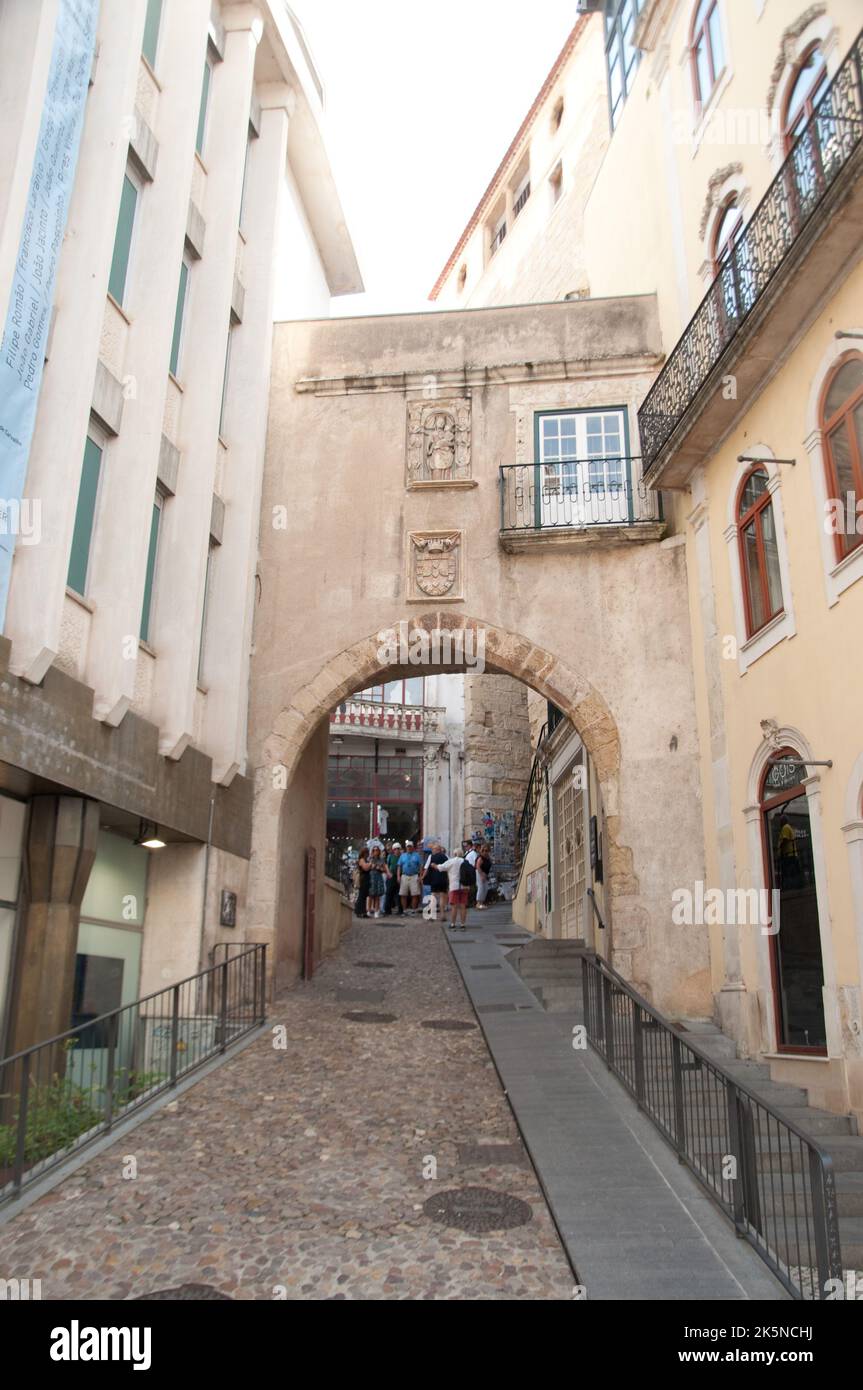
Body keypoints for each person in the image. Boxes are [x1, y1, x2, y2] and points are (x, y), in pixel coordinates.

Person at [438, 850, 470, 930]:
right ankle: (462, 924)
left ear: (454, 854)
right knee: (463, 906)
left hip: (454, 887)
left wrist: (434, 865)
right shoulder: (466, 861)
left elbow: (441, 868)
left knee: (454, 907)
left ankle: (453, 924)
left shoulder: (451, 861)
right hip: (465, 886)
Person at [423, 841, 449, 920]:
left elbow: (426, 868)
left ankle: (431, 915)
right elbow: (447, 868)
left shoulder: (431, 857)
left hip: (434, 879)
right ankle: (442, 915)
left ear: (436, 850)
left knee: (433, 897)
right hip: (443, 879)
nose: (432, 851)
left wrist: (422, 877)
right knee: (442, 897)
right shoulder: (445, 857)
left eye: (433, 849)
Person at [397, 840, 423, 914]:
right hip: (404, 875)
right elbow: (399, 866)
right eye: (408, 846)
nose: (409, 848)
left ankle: (413, 910)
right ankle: (405, 910)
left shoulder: (417, 855)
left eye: (410, 846)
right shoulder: (402, 855)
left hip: (414, 876)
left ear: (413, 847)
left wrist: (420, 876)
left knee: (415, 894)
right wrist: (398, 876)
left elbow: (420, 866)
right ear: (406, 847)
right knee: (403, 893)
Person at [383, 841, 402, 916]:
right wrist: (388, 873)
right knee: (389, 893)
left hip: (399, 876)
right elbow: (387, 865)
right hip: (391, 876)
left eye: (398, 849)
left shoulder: (402, 856)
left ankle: (400, 910)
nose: (397, 850)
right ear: (393, 849)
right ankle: (387, 910)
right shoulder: (390, 856)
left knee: (399, 894)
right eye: (395, 849)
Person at [367, 845, 387, 918]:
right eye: (374, 850)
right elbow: (367, 867)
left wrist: (380, 868)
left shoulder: (381, 859)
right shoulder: (369, 858)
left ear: (379, 851)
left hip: (378, 877)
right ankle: (368, 910)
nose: (375, 851)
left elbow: (384, 869)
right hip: (371, 877)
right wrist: (372, 865)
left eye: (377, 850)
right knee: (370, 895)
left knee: (377, 896)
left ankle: (376, 911)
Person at [354, 845, 371, 919]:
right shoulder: (361, 860)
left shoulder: (365, 860)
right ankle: (358, 911)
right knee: (361, 895)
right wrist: (370, 864)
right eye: (367, 853)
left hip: (366, 879)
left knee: (364, 896)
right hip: (363, 879)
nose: (368, 854)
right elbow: (366, 868)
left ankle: (363, 912)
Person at [476, 842, 492, 909]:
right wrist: (482, 875)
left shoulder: (487, 857)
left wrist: (486, 875)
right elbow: (478, 866)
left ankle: (482, 902)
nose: (485, 852)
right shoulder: (481, 857)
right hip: (480, 873)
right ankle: (478, 903)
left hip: (485, 874)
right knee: (481, 887)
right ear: (482, 850)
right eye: (484, 850)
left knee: (485, 888)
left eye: (487, 850)